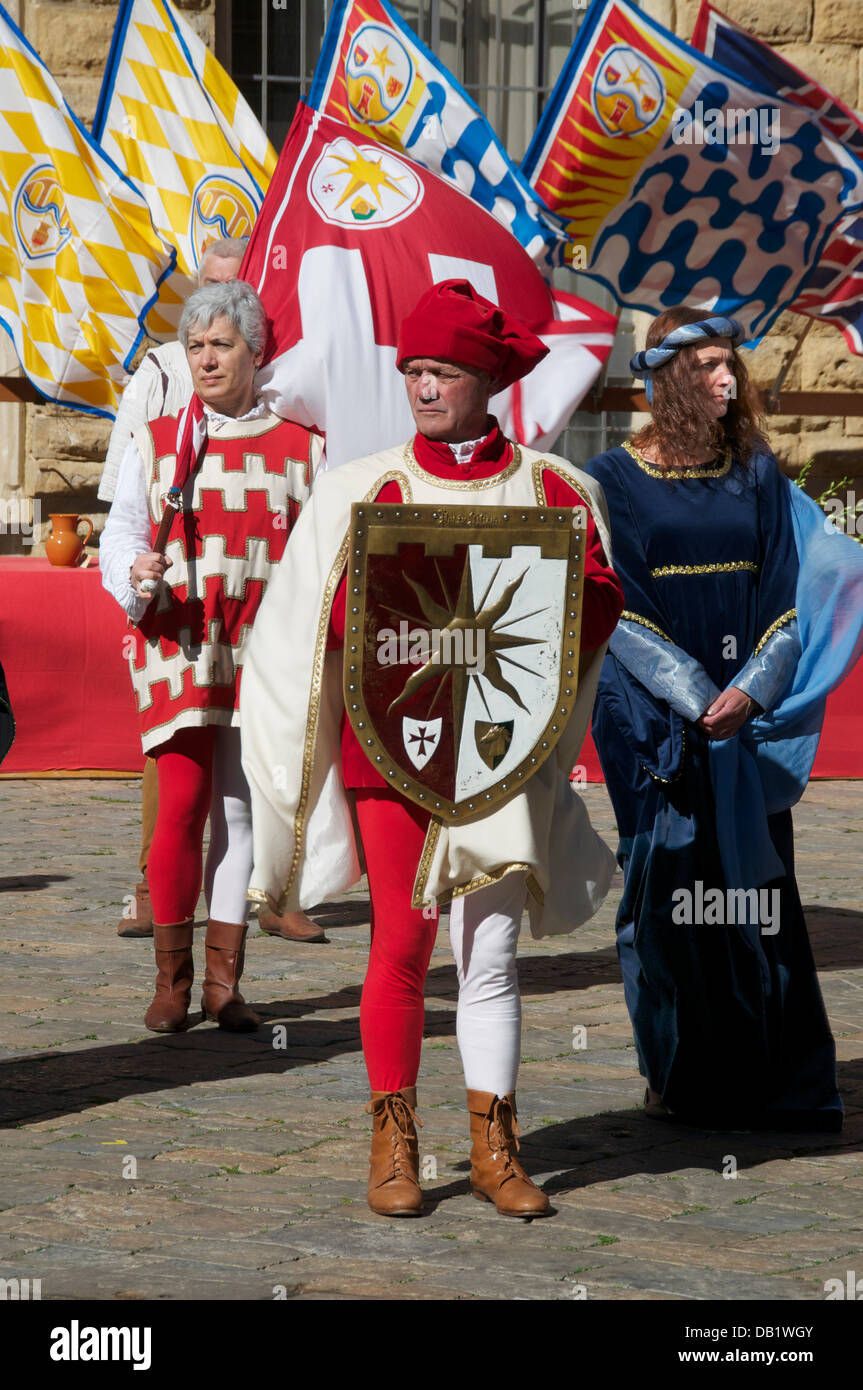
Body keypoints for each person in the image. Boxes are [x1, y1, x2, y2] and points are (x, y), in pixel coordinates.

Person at [241, 280, 624, 1217]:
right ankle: (393, 1146)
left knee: (489, 954)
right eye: (412, 369)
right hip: (395, 748)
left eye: (443, 370)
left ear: (486, 376)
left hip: (500, 748)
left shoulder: (556, 490)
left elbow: (597, 608)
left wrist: (561, 589)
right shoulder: (357, 490)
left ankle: (495, 1148)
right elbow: (317, 625)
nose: (422, 386)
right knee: (400, 947)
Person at [584, 306, 863, 1132]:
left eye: (729, 365)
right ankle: (685, 1073)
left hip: (742, 710)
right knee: (670, 889)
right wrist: (691, 692)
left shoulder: (756, 473)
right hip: (649, 716)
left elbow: (784, 593)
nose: (726, 378)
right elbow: (618, 605)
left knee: (754, 888)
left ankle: (780, 1077)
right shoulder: (611, 477)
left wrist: (747, 691)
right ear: (667, 375)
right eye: (707, 364)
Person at [100, 280, 323, 1033]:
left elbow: (325, 551)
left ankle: (225, 985)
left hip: (264, 652)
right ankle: (173, 981)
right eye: (194, 346)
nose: (205, 358)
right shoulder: (159, 439)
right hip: (184, 643)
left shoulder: (305, 445)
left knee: (240, 812)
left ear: (256, 353)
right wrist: (136, 570)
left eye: (221, 344)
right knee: (182, 806)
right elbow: (121, 532)